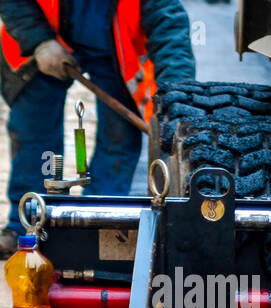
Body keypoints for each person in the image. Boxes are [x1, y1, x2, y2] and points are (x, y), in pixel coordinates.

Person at [0, 0, 195, 256]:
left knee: (119, 138)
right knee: (34, 131)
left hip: (114, 50)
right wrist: (38, 41)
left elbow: (170, 30)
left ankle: (95, 224)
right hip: (47, 35)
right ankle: (27, 224)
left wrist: (177, 100)